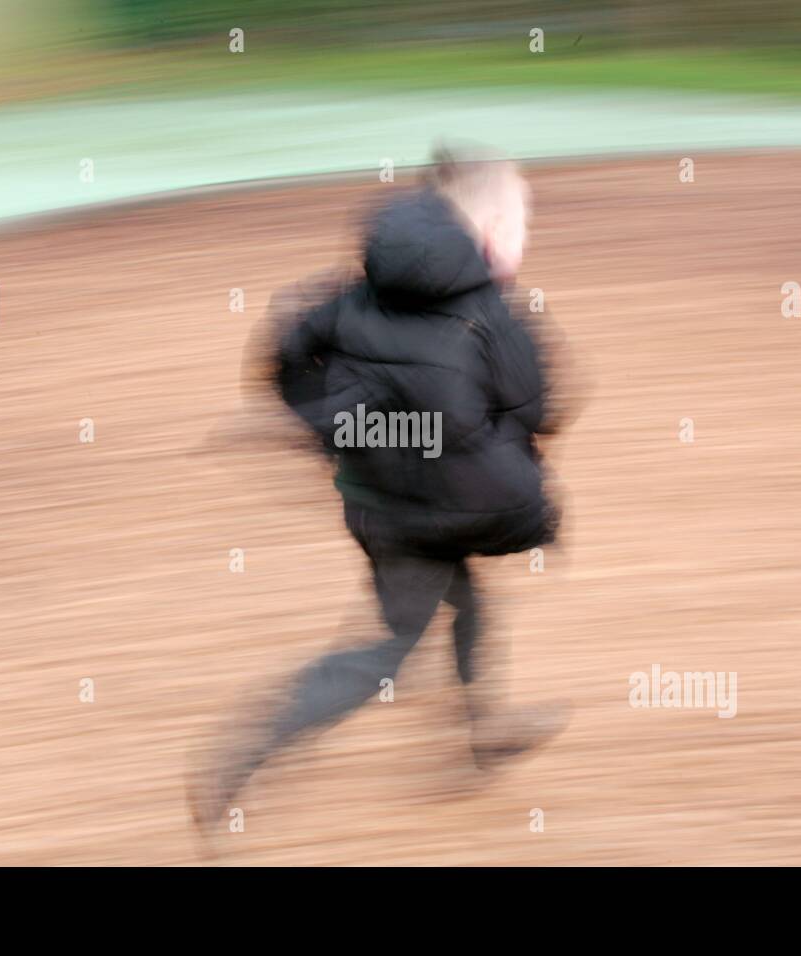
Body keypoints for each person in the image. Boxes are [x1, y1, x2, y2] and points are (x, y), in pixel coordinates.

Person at [189, 144, 579, 836]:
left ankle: (484, 735)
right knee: (389, 648)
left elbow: (284, 356)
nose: (527, 234)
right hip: (444, 510)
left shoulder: (355, 289)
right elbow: (544, 408)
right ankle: (241, 758)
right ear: (486, 232)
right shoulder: (493, 312)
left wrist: (336, 430)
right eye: (523, 219)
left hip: (375, 502)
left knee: (464, 600)